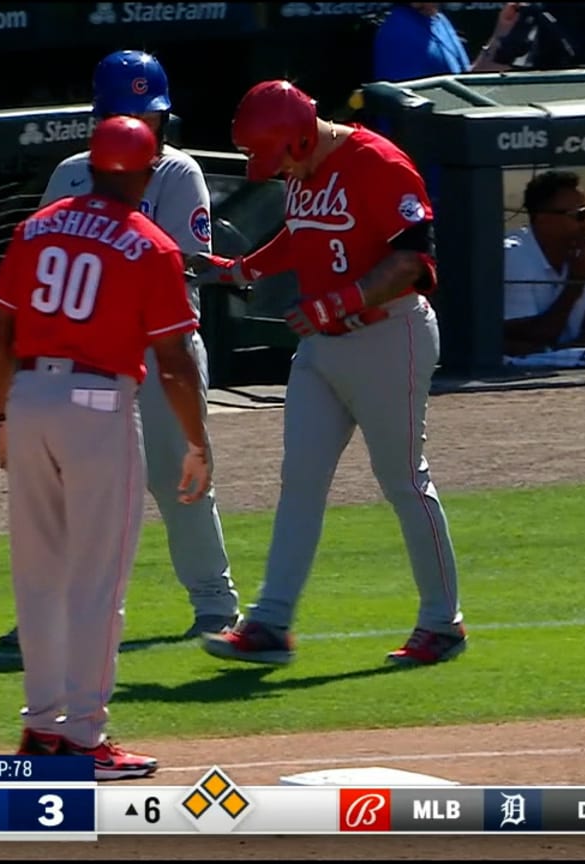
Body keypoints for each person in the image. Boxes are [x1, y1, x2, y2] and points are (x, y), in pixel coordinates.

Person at [193, 80, 465, 668]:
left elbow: (413, 260)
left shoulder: (378, 162)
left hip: (390, 336)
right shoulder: (305, 166)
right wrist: (240, 270)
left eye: (276, 156)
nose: (275, 170)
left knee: (403, 480)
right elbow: (302, 234)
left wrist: (338, 302)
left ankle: (443, 623)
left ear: (298, 136)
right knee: (300, 481)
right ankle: (270, 622)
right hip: (323, 345)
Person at [0, 116, 211, 776]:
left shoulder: (36, 227)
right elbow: (174, 361)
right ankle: (84, 737)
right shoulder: (151, 244)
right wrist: (196, 440)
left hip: (29, 398)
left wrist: (4, 413)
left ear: (91, 166)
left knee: (38, 575)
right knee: (97, 579)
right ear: (145, 173)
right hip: (97, 406)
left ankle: (40, 730)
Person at [0, 50, 239, 651]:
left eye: (150, 116)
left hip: (160, 351)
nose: (143, 127)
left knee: (180, 477)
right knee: (65, 487)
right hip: (87, 360)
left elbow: (180, 261)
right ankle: (44, 615)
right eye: (130, 115)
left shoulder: (178, 172)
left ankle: (215, 604)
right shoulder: (69, 174)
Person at [502, 170, 585, 357]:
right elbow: (524, 338)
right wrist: (576, 283)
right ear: (542, 218)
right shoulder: (512, 255)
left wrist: (558, 355)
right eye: (579, 215)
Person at [372, 3, 519, 81]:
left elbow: (467, 83)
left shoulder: (439, 20)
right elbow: (410, 115)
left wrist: (503, 31)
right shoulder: (400, 34)